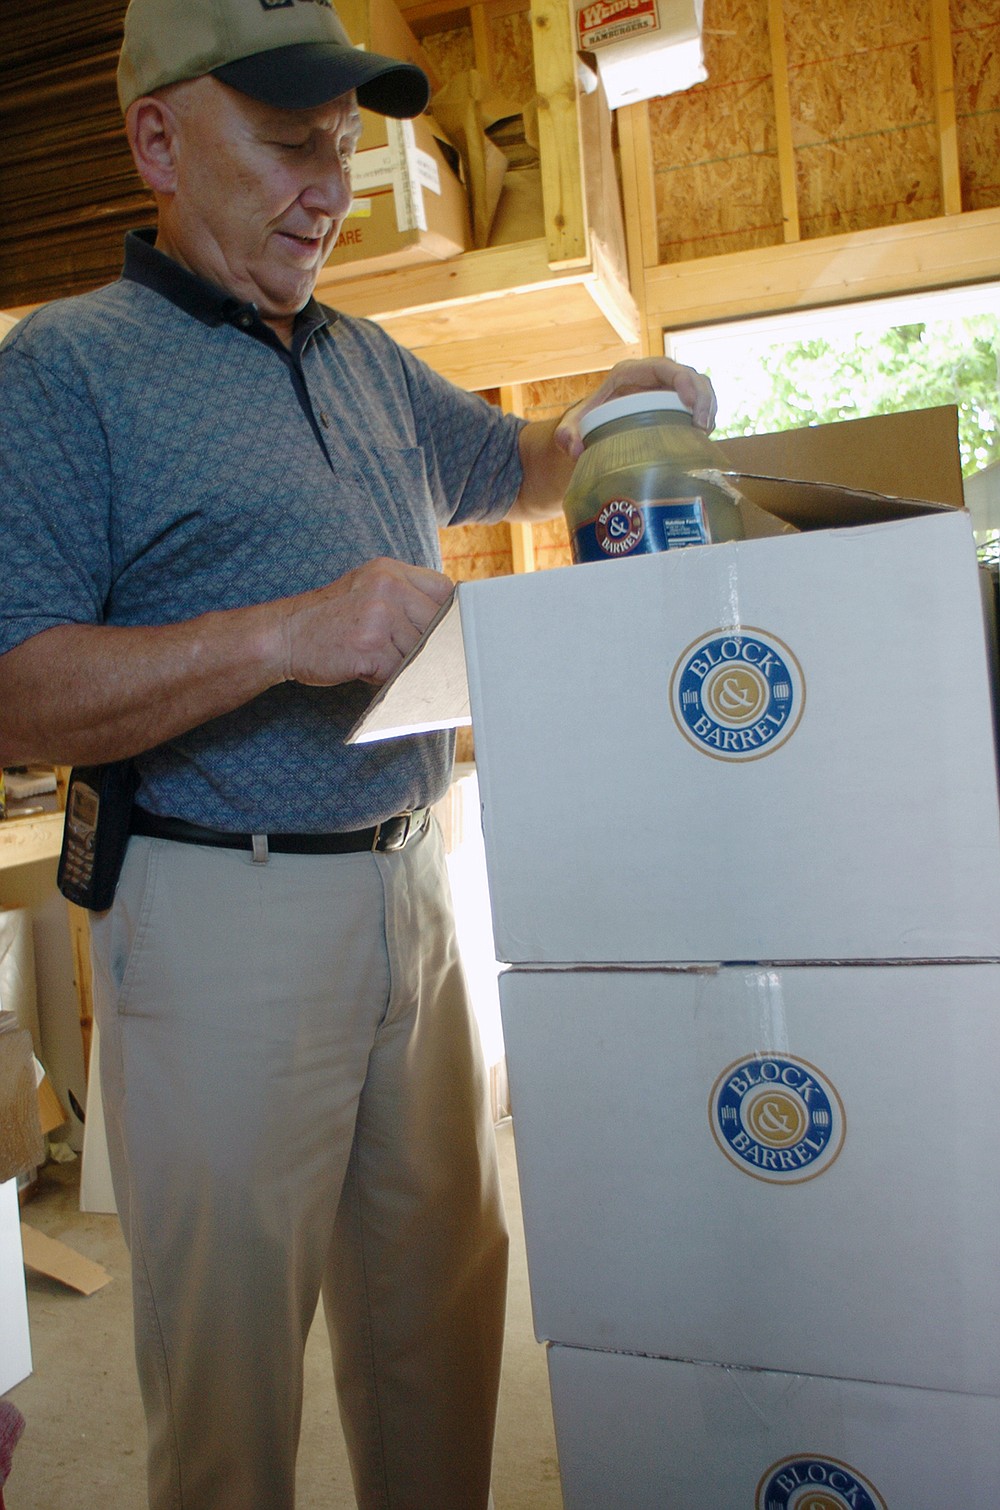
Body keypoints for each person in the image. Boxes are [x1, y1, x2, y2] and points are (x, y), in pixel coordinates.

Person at [0, 0, 716, 1505]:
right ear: (157, 142)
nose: (328, 183)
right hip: (216, 919)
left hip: (416, 896)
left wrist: (619, 412)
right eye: (283, 143)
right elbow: (20, 691)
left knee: (443, 1319)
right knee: (230, 1375)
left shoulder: (368, 359)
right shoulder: (65, 372)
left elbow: (521, 466)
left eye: (339, 142)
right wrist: (287, 634)